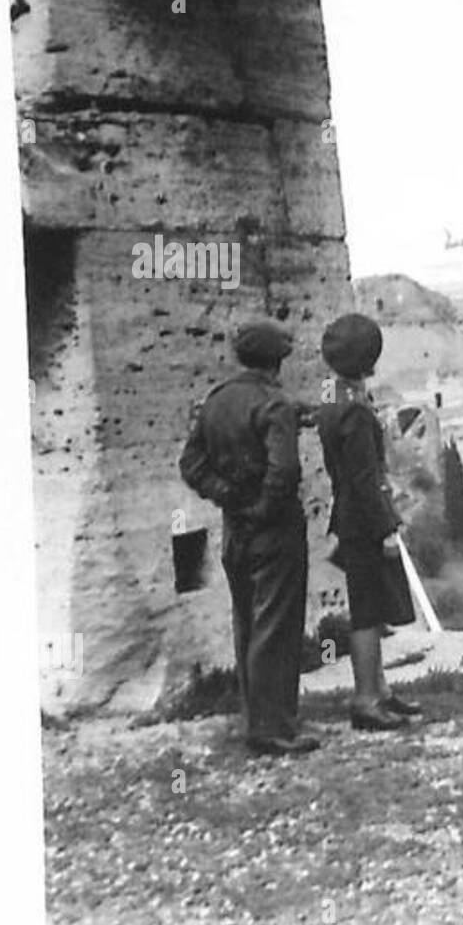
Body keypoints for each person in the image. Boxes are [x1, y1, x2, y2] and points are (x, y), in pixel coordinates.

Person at [179, 321, 319, 756]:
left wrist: (229, 498)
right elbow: (284, 472)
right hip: (274, 530)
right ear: (278, 360)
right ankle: (273, 729)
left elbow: (191, 463)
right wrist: (261, 508)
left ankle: (257, 718)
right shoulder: (272, 404)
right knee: (277, 625)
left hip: (234, 530)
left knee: (247, 622)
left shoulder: (218, 400)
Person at [315, 313, 422, 731]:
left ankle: (380, 692)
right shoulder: (356, 412)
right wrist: (387, 529)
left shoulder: (333, 400)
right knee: (366, 611)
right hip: (363, 521)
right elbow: (366, 480)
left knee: (372, 610)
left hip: (350, 516)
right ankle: (365, 700)